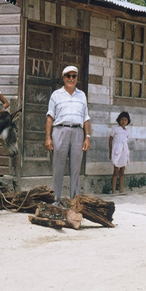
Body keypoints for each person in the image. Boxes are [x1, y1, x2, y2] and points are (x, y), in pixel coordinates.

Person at [45, 65, 91, 204]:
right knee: (58, 168)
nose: (71, 79)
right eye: (68, 76)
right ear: (64, 78)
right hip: (60, 131)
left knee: (75, 169)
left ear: (77, 78)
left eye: (74, 76)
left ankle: (74, 201)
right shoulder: (56, 95)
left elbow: (86, 117)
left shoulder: (81, 95)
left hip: (78, 132)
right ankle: (55, 201)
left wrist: (87, 137)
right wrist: (48, 137)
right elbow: (50, 117)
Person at [109, 111, 131, 194]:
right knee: (115, 172)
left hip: (124, 153)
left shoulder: (127, 132)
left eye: (126, 120)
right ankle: (113, 190)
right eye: (122, 119)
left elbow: (125, 142)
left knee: (122, 172)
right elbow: (110, 140)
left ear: (128, 121)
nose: (124, 121)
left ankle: (121, 190)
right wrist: (110, 151)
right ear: (119, 120)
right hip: (116, 152)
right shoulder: (115, 129)